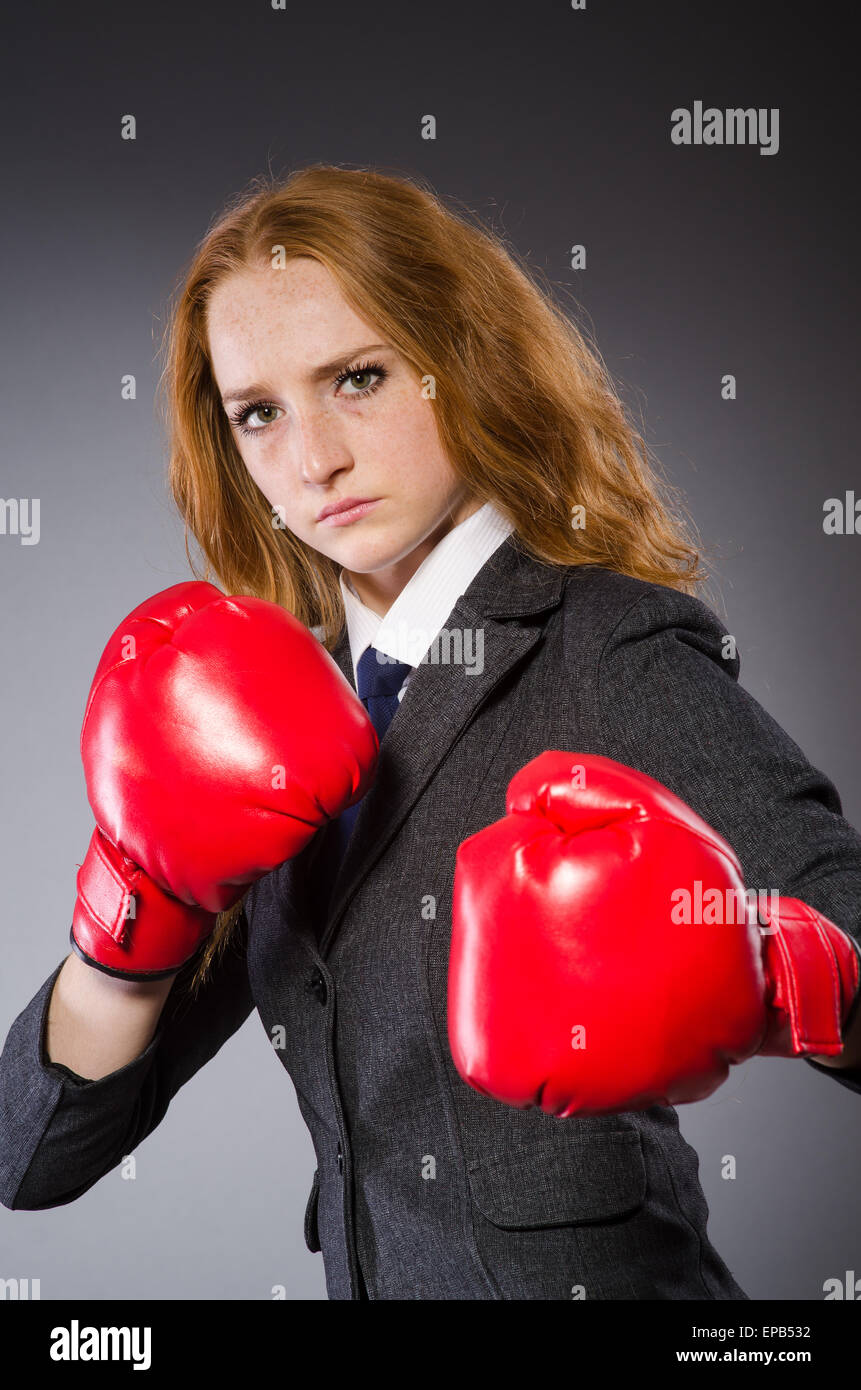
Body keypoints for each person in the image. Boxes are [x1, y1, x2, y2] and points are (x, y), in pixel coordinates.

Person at [2, 164, 860, 1302]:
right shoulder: (267, 714)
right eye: (260, 411)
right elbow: (33, 1156)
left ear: (462, 366)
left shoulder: (603, 645)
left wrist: (761, 970)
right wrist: (132, 899)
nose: (313, 459)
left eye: (357, 378)